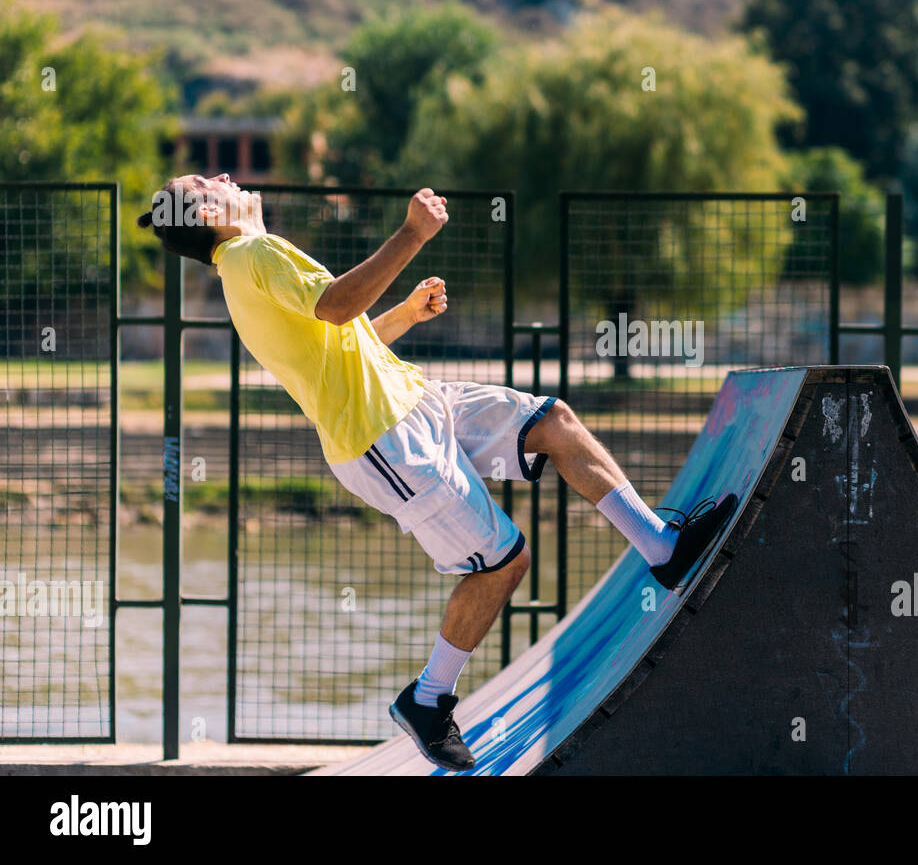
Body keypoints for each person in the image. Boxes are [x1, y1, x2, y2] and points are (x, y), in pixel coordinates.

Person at [138, 173, 736, 770]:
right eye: (206, 181)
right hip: (384, 441)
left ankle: (664, 549)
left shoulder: (250, 262)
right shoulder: (252, 253)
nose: (223, 176)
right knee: (504, 562)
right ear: (209, 212)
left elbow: (341, 338)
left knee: (552, 423)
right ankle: (428, 699)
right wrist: (411, 234)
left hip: (420, 401)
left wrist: (402, 315)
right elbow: (339, 304)